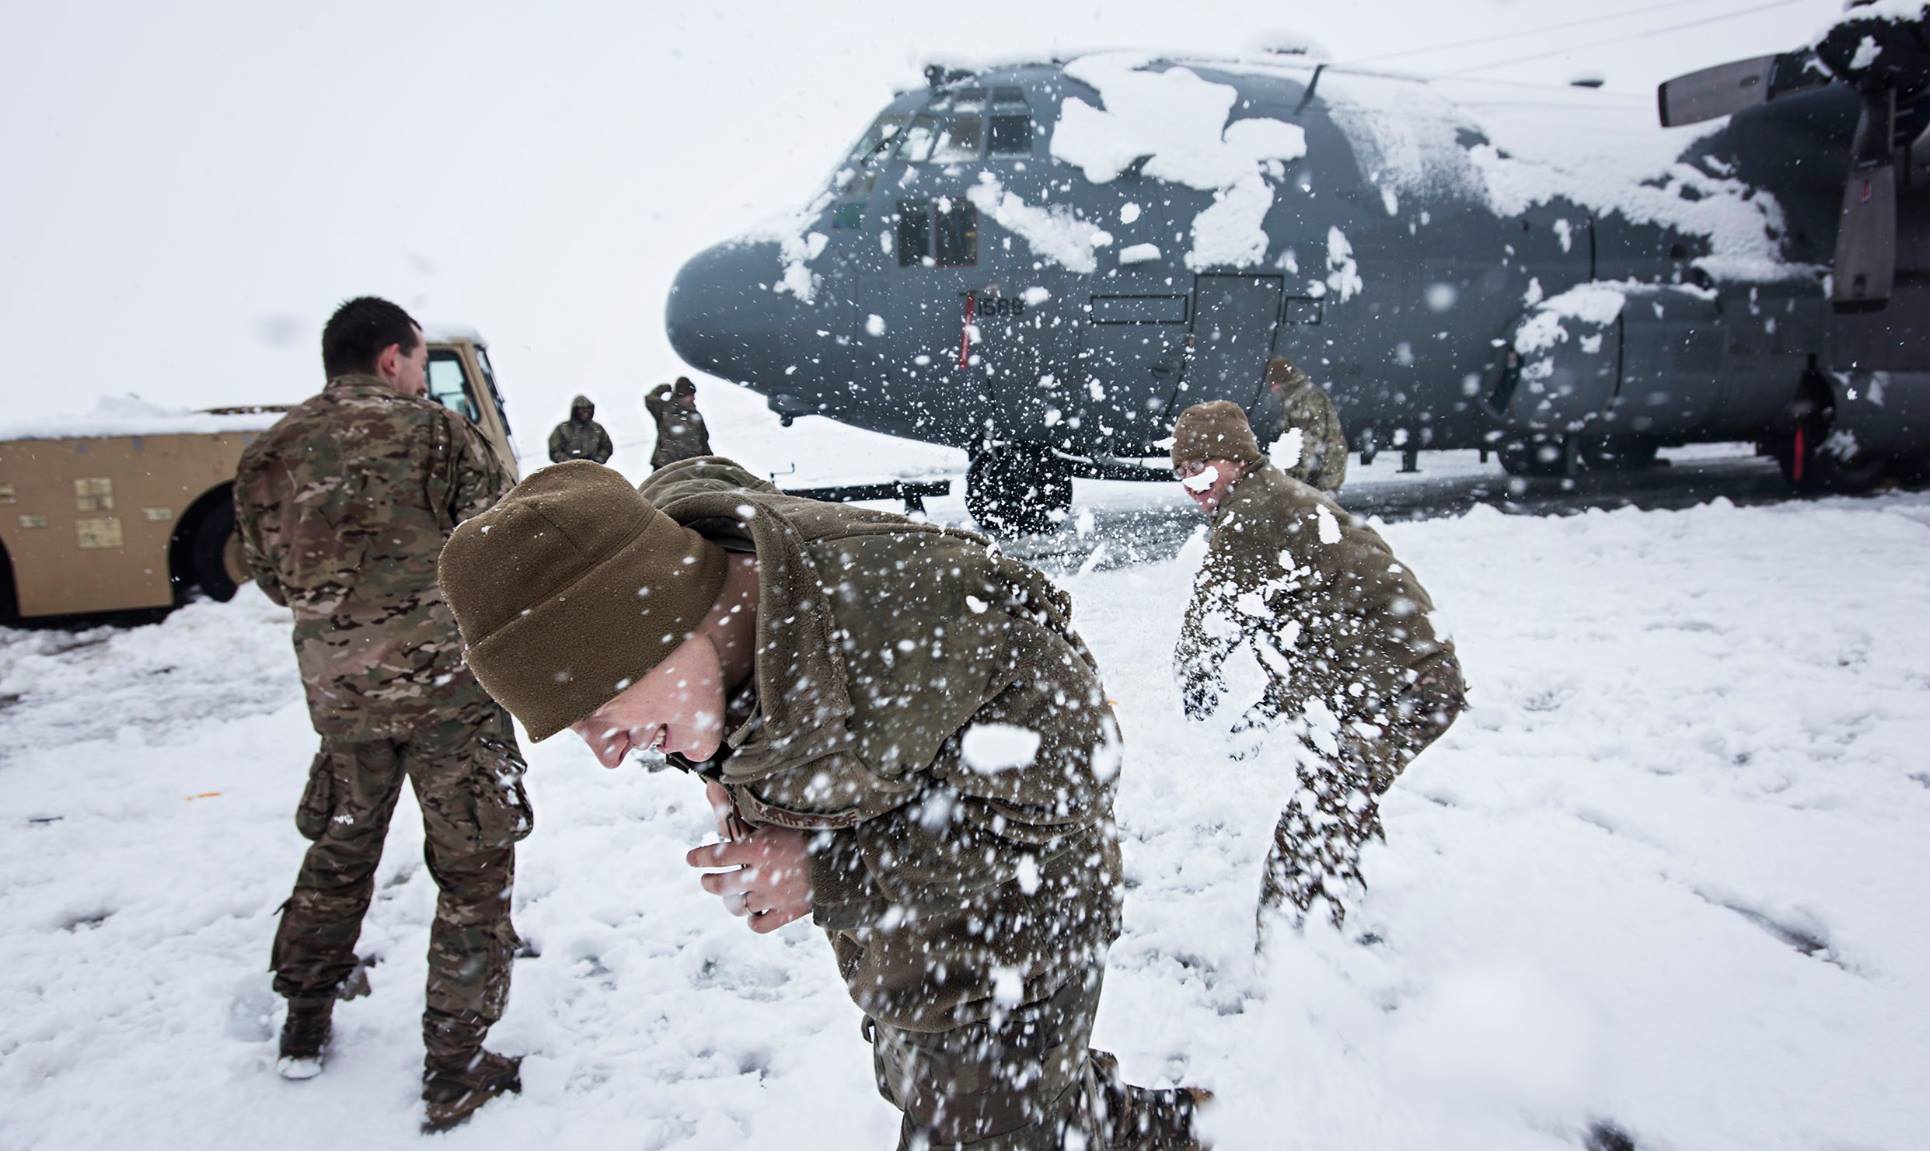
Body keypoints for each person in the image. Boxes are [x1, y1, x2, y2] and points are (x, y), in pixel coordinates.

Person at [437, 457, 1206, 1149]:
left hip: (1014, 926)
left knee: (979, 1115)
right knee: (929, 1073)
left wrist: (824, 870)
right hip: (902, 935)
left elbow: (1072, 777)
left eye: (596, 710)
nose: (607, 753)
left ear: (660, 626)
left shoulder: (928, 616)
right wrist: (712, 760)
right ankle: (1135, 1125)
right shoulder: (678, 574)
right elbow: (695, 477)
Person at [234, 296, 532, 1132]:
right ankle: (455, 1063)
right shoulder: (439, 434)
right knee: (473, 873)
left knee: (339, 852)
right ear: (393, 358)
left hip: (344, 703)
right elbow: (500, 543)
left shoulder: (271, 452)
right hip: (452, 700)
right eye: (417, 358)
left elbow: (270, 575)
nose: (417, 373)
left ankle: (304, 1017)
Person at [1169, 400, 1462, 933]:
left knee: (1315, 824)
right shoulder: (1272, 499)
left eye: (1202, 466)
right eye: (1182, 472)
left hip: (1404, 686)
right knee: (1335, 800)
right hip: (1389, 681)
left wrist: (1194, 675)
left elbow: (1212, 614)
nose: (1192, 483)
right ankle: (1354, 926)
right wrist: (1269, 707)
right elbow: (1317, 626)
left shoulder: (1253, 512)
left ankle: (1291, 955)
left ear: (1237, 459)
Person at [1265, 356, 1347, 492]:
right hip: (1317, 466)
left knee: (1320, 503)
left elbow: (1312, 439)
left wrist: (1296, 475)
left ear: (1283, 383)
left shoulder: (1307, 398)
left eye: (1274, 387)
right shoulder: (1295, 398)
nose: (1273, 391)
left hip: (1325, 467)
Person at [646, 376, 713, 468]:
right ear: (680, 396)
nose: (693, 398)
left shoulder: (695, 415)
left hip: (690, 466)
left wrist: (709, 459)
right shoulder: (664, 410)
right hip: (665, 465)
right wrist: (662, 388)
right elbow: (650, 400)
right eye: (689, 395)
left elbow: (703, 440)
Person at [547, 394, 614, 464]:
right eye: (582, 409)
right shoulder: (563, 428)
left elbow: (607, 447)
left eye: (588, 409)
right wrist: (567, 461)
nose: (586, 412)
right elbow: (555, 450)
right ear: (575, 410)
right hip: (568, 467)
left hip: (592, 466)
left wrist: (599, 459)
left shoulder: (597, 428)